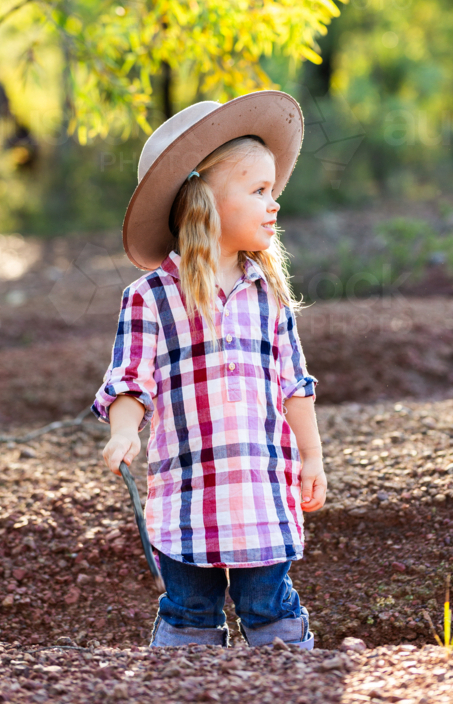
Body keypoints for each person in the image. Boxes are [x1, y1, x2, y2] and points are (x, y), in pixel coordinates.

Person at [92, 90, 327, 649]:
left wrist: (312, 456)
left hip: (261, 488)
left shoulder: (268, 296)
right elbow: (130, 379)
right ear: (204, 202)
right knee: (189, 610)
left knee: (267, 607)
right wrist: (125, 429)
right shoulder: (150, 297)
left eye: (274, 190)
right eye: (259, 190)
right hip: (186, 491)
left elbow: (294, 385)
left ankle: (287, 683)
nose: (275, 204)